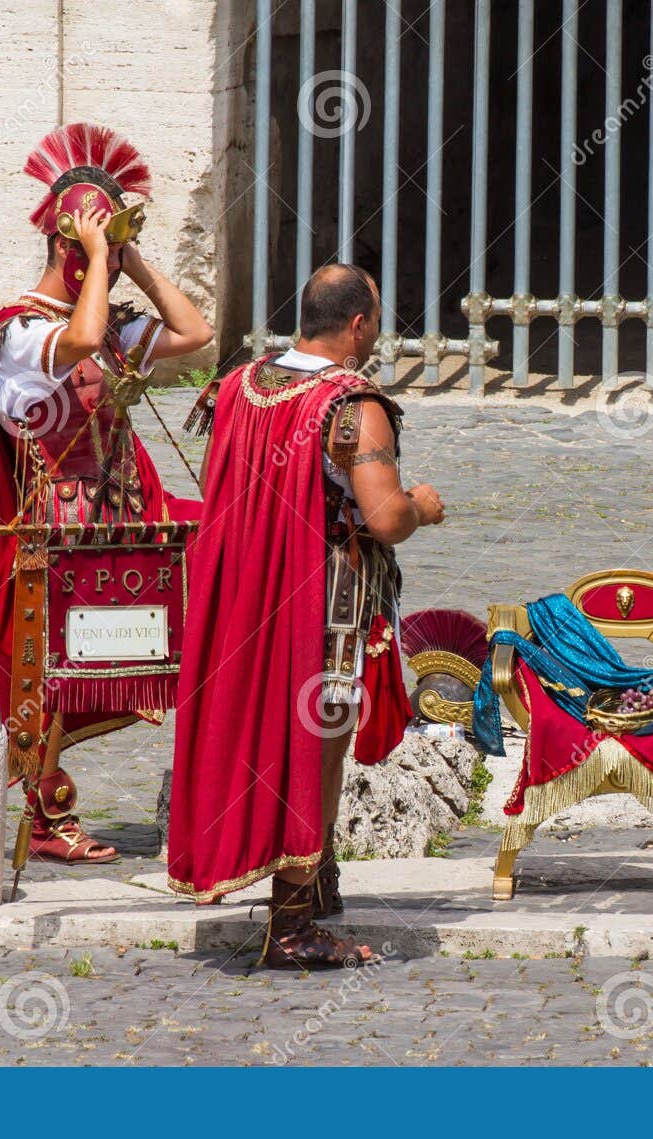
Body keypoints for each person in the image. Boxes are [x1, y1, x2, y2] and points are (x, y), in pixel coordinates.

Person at [169, 264, 445, 969]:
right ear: (356, 326)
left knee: (276, 728)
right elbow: (384, 517)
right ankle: (292, 921)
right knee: (318, 740)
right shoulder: (353, 404)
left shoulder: (242, 383)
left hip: (247, 587)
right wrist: (422, 503)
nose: (377, 333)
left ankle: (313, 874)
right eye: (376, 320)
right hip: (322, 598)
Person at [0, 123, 214, 864]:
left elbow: (194, 332)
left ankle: (49, 795)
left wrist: (130, 258)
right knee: (57, 674)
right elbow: (80, 337)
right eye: (92, 251)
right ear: (68, 251)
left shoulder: (99, 321)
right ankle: (42, 809)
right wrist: (100, 260)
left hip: (117, 516)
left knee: (145, 655)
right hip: (53, 527)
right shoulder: (23, 334)